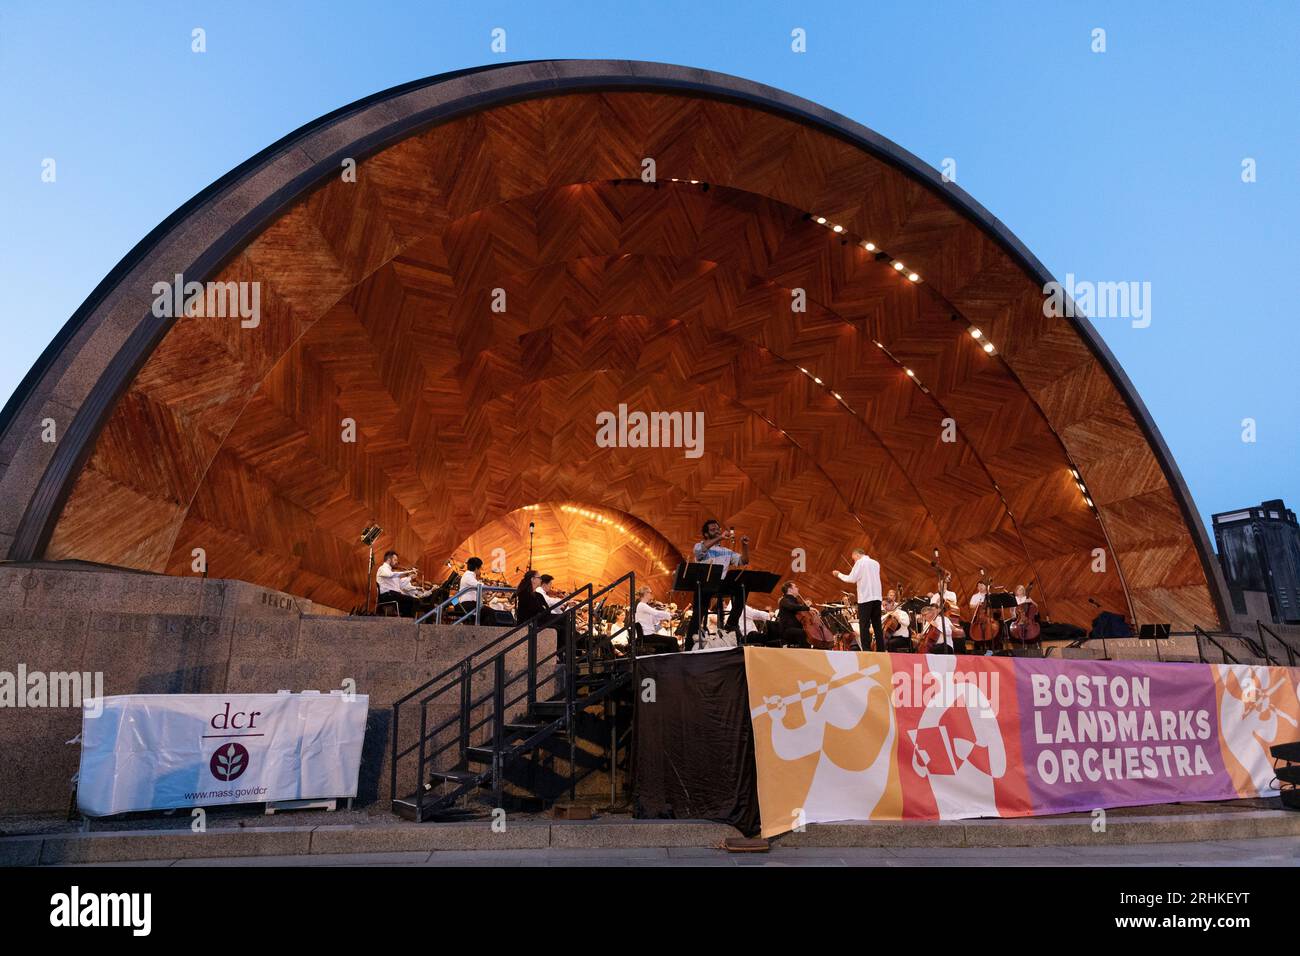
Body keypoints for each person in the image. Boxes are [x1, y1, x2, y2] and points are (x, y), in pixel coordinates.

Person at [686, 518, 750, 650]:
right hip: (704, 584)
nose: (717, 531)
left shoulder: (726, 551)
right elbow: (700, 552)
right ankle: (689, 646)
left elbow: (743, 561)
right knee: (698, 614)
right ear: (706, 534)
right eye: (713, 529)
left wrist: (744, 546)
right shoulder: (699, 546)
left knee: (743, 587)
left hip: (720, 583)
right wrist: (720, 537)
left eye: (718, 529)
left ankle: (731, 623)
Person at [834, 548, 883, 651]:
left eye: (854, 559)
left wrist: (838, 574)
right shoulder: (876, 563)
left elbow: (851, 579)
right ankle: (881, 649)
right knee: (877, 625)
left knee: (864, 625)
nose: (854, 561)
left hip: (865, 598)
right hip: (877, 597)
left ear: (857, 555)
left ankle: (866, 650)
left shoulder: (860, 563)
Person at [633, 587, 679, 654]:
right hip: (647, 636)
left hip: (648, 635)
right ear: (646, 593)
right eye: (650, 592)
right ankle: (676, 661)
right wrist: (670, 614)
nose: (651, 594)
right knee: (673, 640)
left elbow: (653, 620)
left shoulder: (644, 605)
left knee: (671, 640)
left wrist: (664, 617)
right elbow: (655, 613)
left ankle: (670, 660)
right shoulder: (642, 605)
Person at [376, 550, 420, 617]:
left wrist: (410, 577)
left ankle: (406, 620)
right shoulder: (382, 568)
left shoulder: (390, 571)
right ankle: (407, 620)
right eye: (395, 560)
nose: (396, 562)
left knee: (414, 601)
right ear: (389, 559)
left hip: (393, 594)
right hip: (387, 595)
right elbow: (390, 575)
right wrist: (408, 571)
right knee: (413, 601)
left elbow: (400, 584)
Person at [774, 581, 812, 647]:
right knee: (804, 633)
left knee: (808, 633)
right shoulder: (784, 600)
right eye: (795, 587)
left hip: (796, 628)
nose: (798, 588)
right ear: (790, 589)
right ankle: (806, 654)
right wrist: (807, 608)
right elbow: (792, 606)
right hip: (787, 630)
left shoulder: (794, 601)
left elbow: (797, 612)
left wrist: (804, 606)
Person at [451, 556, 484, 623]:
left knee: (487, 612)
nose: (480, 570)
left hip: (469, 604)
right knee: (490, 613)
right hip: (467, 605)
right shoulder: (468, 575)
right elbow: (480, 586)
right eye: (480, 568)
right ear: (476, 568)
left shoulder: (470, 576)